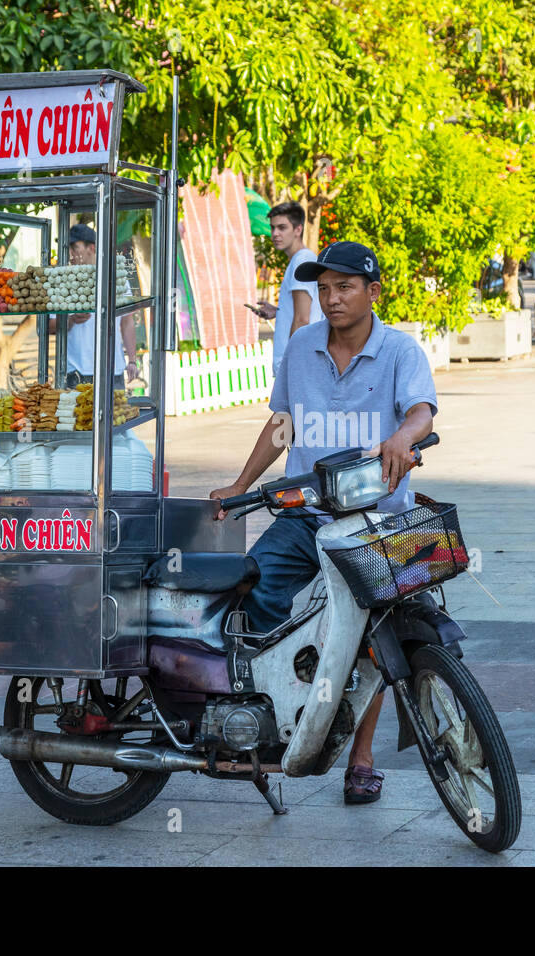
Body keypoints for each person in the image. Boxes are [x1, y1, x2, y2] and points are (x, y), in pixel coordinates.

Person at [210, 241, 436, 806]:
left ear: (372, 292)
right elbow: (281, 422)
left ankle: (360, 758)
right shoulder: (301, 346)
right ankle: (264, 715)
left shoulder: (400, 351)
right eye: (324, 289)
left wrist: (403, 439)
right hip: (305, 515)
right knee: (253, 587)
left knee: (375, 634)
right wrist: (240, 485)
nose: (332, 299)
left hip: (376, 520)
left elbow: (420, 412)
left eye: (345, 287)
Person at [55, 224, 138, 389]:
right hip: (75, 373)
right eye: (68, 247)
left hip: (112, 371)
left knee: (116, 415)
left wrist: (133, 360)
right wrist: (71, 320)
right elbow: (49, 327)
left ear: (91, 248)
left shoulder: (117, 279)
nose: (70, 253)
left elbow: (127, 322)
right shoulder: (62, 281)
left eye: (74, 247)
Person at [252, 203, 323, 377]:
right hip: (301, 366)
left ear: (298, 230)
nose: (275, 233)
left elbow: (302, 319)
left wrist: (292, 366)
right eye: (273, 228)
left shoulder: (302, 260)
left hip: (299, 368)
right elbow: (305, 310)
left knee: (300, 406)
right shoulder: (300, 260)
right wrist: (279, 311)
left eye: (282, 228)